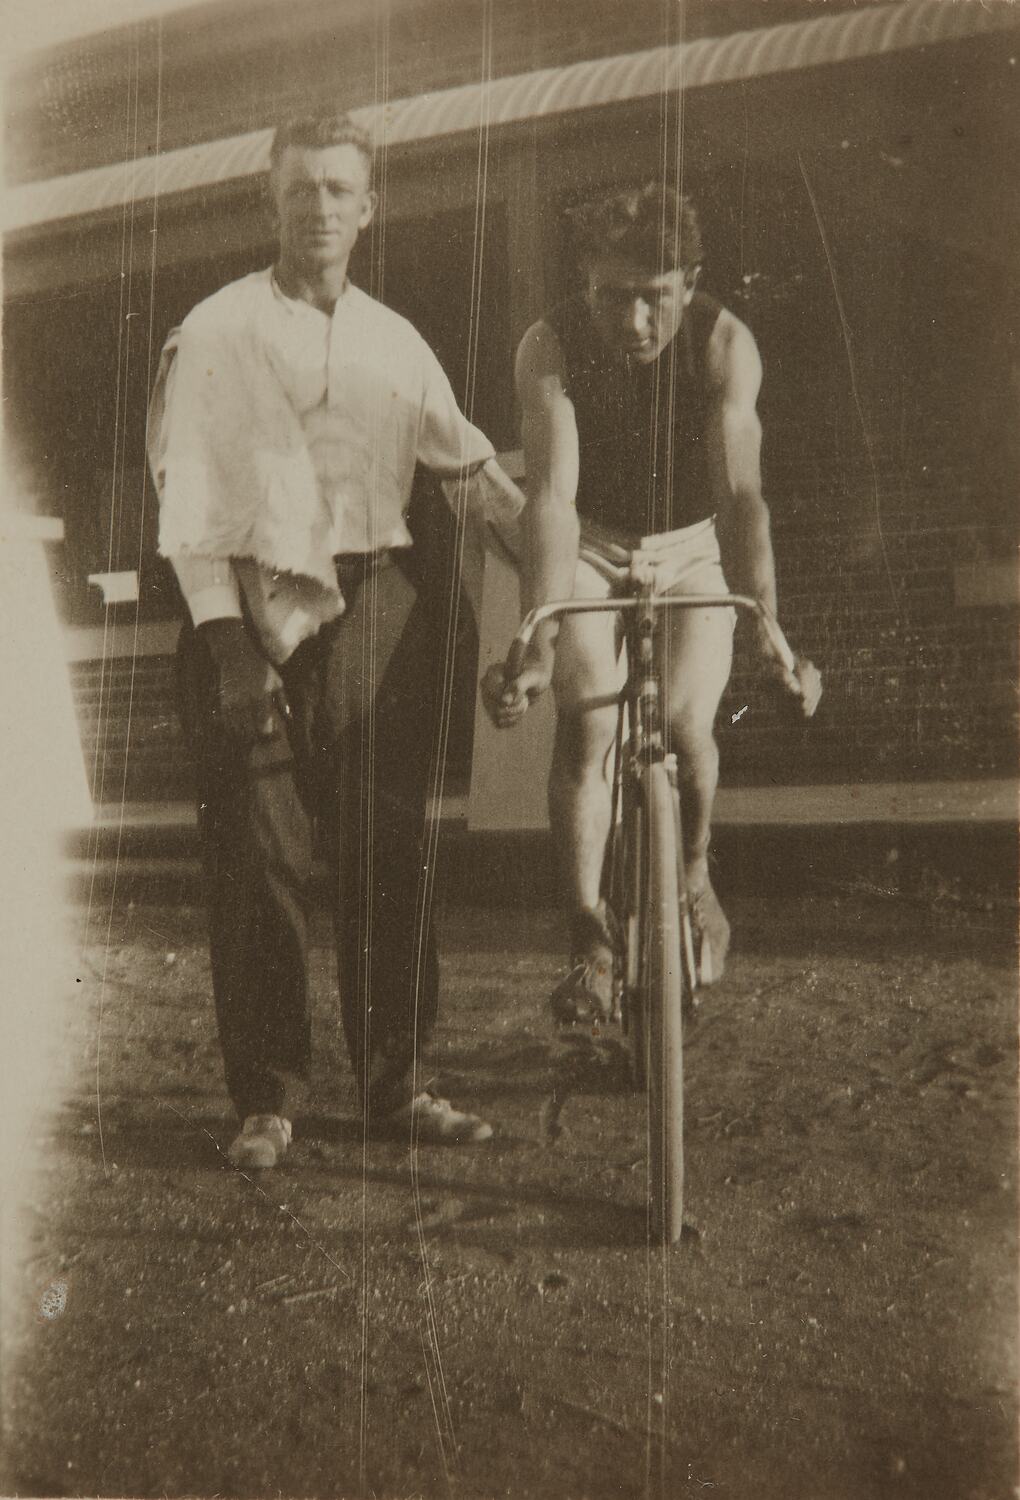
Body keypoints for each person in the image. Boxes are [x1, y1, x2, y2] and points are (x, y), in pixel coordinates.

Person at [147, 112, 524, 1167]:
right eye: (299, 188)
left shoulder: (396, 341)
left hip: (378, 604)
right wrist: (227, 644)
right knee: (258, 857)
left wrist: (559, 570)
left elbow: (471, 477)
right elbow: (186, 500)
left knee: (388, 845)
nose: (318, 207)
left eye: (338, 189)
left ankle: (399, 1083)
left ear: (369, 206)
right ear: (267, 201)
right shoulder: (215, 329)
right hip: (240, 607)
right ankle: (267, 1098)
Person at [485, 182, 820, 1020]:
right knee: (589, 720)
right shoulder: (547, 346)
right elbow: (552, 498)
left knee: (682, 725)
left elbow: (741, 497)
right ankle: (586, 939)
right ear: (584, 281)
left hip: (689, 544)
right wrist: (537, 639)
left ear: (691, 279)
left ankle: (695, 864)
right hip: (592, 540)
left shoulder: (724, 343)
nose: (634, 323)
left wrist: (769, 624)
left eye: (655, 298)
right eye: (613, 297)